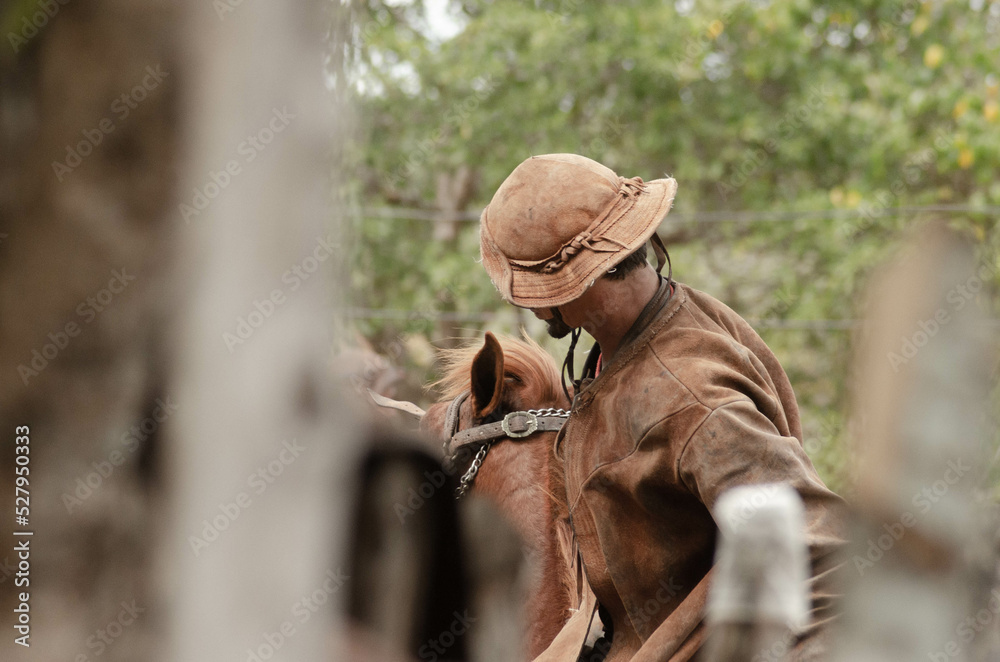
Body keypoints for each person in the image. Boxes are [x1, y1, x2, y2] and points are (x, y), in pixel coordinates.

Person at [478, 153, 846, 661]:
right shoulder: (645, 326)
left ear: (575, 285)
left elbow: (818, 557)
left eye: (532, 289)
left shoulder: (690, 399)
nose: (530, 306)